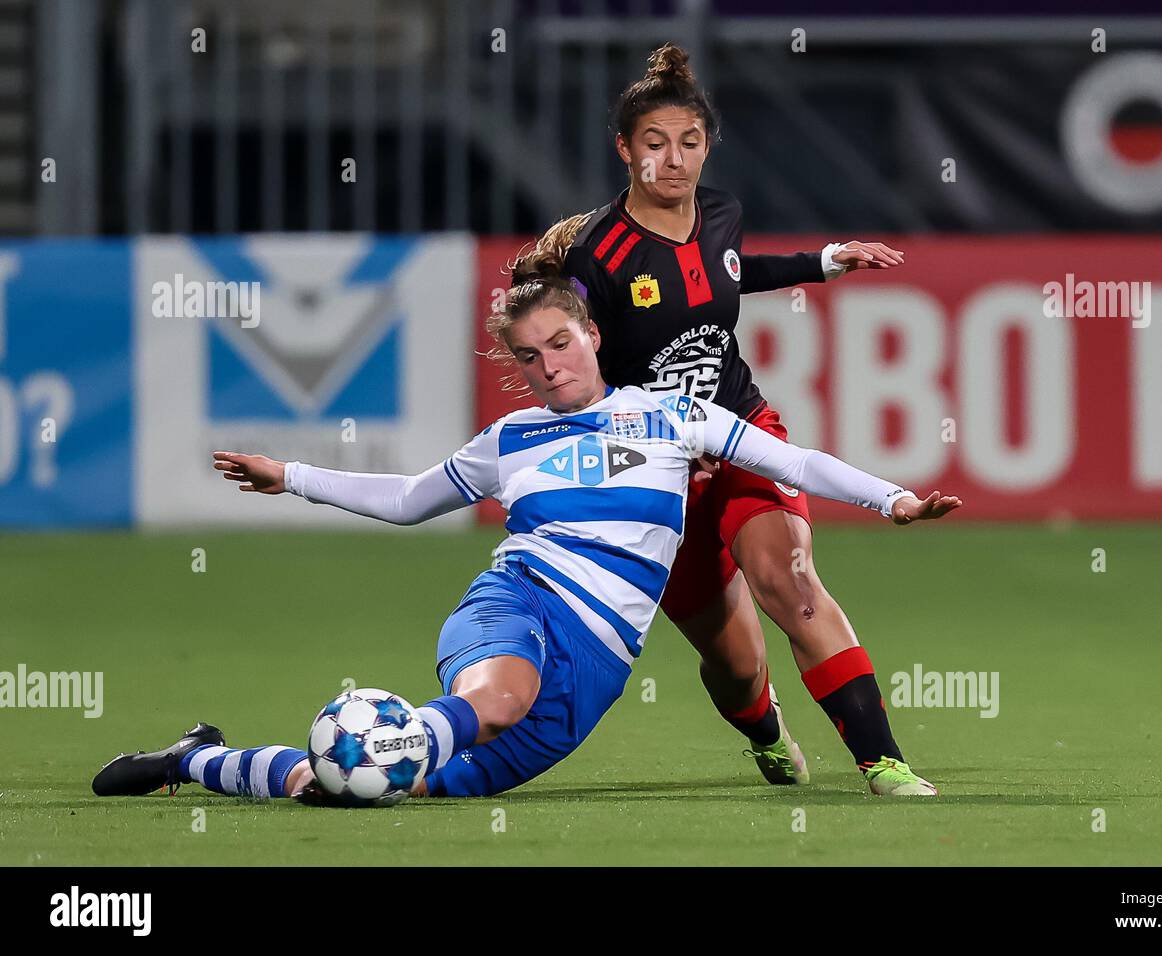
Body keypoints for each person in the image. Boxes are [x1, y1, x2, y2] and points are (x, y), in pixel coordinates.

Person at [90, 259, 959, 804]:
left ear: (591, 335)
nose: (549, 368)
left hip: (595, 665)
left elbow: (794, 464)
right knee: (493, 701)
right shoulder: (511, 441)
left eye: (560, 344)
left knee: (379, 788)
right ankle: (374, 735)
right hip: (517, 603)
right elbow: (406, 498)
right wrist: (294, 477)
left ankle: (194, 762)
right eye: (529, 358)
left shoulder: (673, 416)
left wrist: (894, 501)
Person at [532, 42, 928, 794]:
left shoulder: (721, 212)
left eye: (689, 141)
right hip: (656, 471)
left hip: (743, 430)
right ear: (624, 150)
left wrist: (823, 261)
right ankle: (767, 732)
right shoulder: (597, 257)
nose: (673, 160)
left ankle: (884, 762)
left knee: (792, 584)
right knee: (735, 661)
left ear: (708, 146)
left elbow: (730, 273)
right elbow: (577, 385)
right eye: (654, 144)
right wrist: (647, 442)